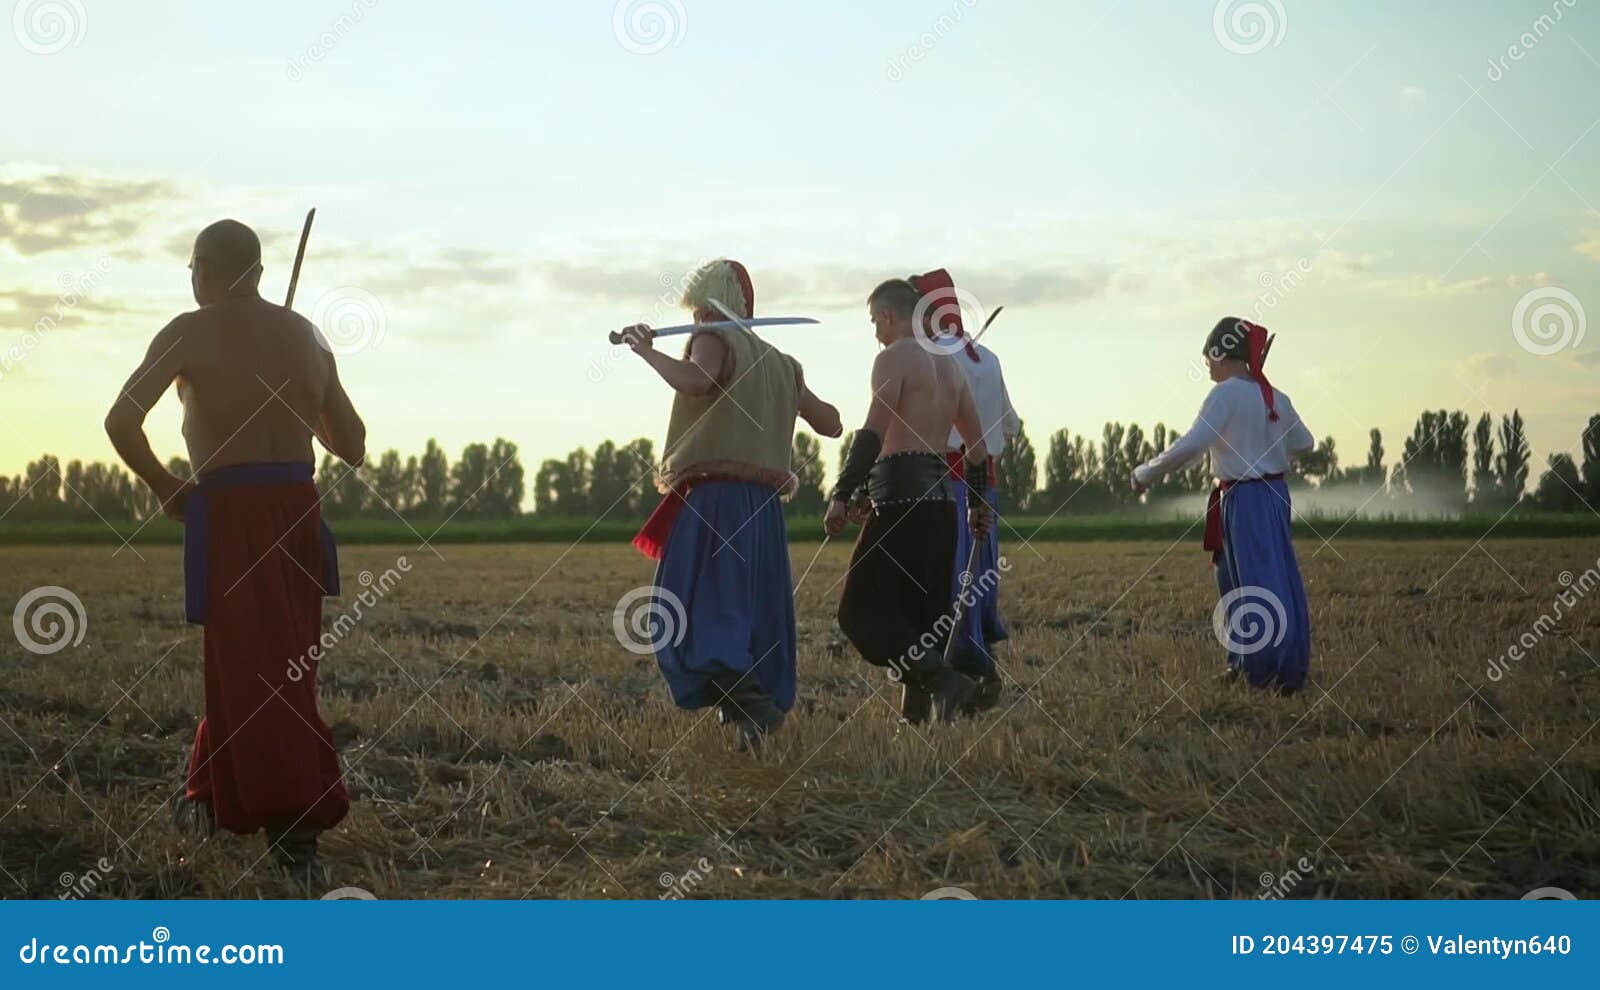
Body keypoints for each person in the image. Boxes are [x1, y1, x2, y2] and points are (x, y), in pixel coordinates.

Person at [104, 219, 365, 872]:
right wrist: (303, 398)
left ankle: (293, 818)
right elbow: (353, 445)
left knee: (246, 667)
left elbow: (120, 418)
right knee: (275, 668)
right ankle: (209, 792)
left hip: (231, 512)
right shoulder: (306, 336)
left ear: (205, 268)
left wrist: (166, 486)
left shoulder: (190, 331)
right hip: (297, 509)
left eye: (191, 269)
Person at [620, 258, 842, 750]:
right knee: (748, 612)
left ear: (708, 305)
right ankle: (749, 717)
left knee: (691, 612)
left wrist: (646, 352)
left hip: (715, 504)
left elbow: (697, 381)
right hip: (763, 510)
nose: (697, 318)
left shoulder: (712, 338)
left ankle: (750, 706)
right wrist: (793, 395)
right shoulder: (782, 363)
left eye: (698, 309)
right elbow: (831, 424)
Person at [826, 278, 991, 724]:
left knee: (858, 613)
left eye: (874, 322)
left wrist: (843, 492)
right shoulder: (951, 368)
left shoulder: (892, 358)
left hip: (902, 505)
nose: (875, 332)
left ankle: (947, 683)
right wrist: (977, 503)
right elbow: (976, 447)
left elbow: (874, 431)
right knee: (922, 621)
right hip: (942, 507)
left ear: (888, 316)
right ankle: (916, 725)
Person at [1131, 316, 1314, 693]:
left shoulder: (1226, 393)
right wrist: (1269, 447)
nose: (1206, 366)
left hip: (1245, 496)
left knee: (1258, 584)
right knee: (1234, 579)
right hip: (1268, 494)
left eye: (1208, 358)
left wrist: (1146, 472)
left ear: (1220, 354)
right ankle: (1246, 664)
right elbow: (1305, 443)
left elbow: (1194, 443)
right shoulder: (1275, 396)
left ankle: (1269, 673)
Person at [910, 269, 1019, 711]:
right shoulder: (987, 357)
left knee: (945, 584)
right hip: (984, 482)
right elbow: (1010, 425)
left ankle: (959, 675)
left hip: (943, 481)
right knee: (974, 581)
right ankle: (976, 666)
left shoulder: (932, 359)